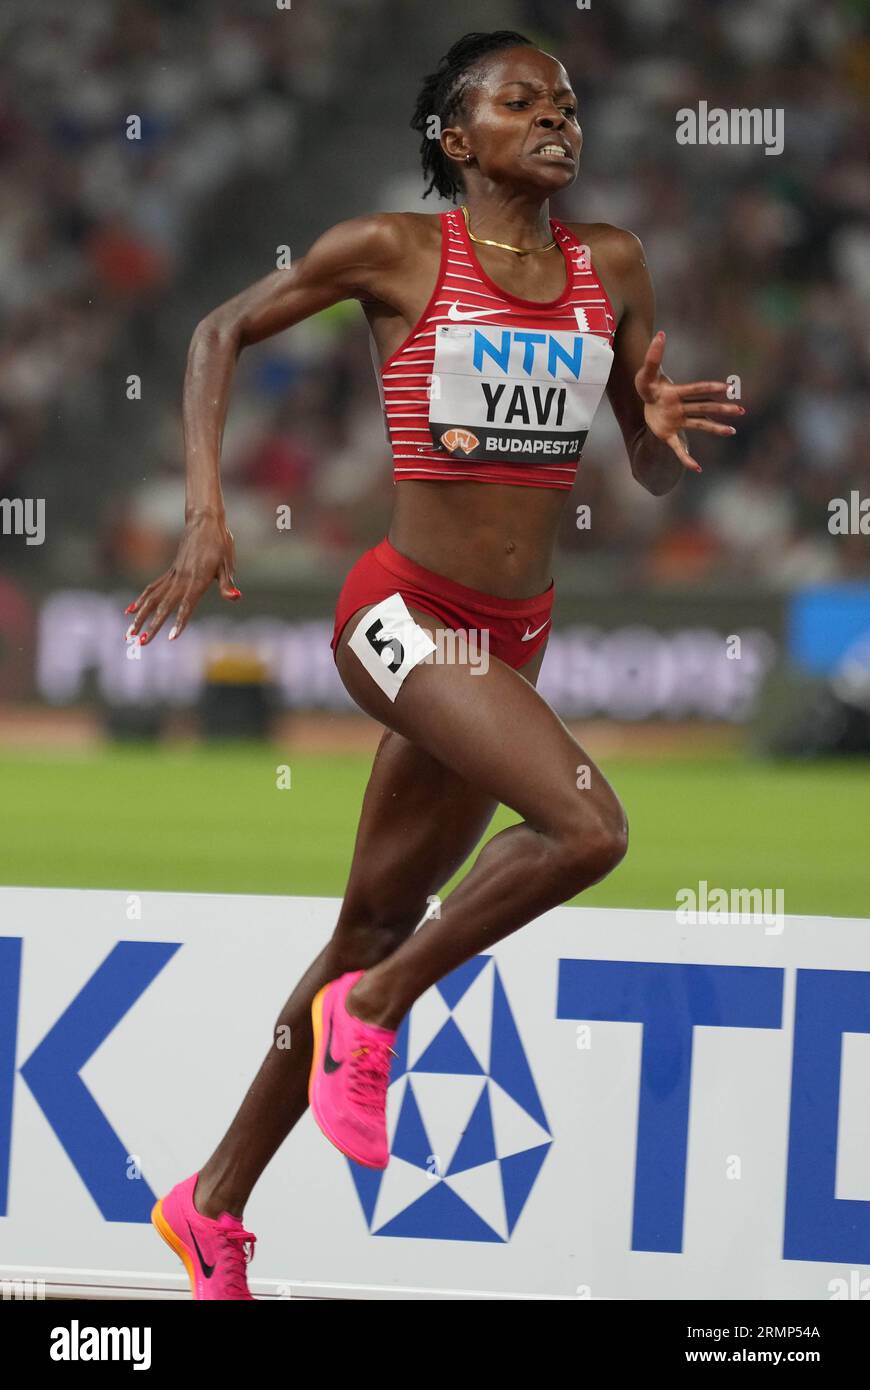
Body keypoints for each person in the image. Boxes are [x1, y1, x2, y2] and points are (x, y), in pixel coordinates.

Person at [131, 30, 743, 1299]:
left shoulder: (610, 263)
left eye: (568, 102)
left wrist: (656, 427)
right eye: (523, 103)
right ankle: (378, 1013)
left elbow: (633, 452)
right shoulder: (396, 252)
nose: (559, 119)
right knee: (588, 827)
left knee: (369, 919)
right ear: (458, 142)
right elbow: (214, 331)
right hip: (401, 613)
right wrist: (206, 506)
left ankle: (211, 1203)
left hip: (511, 636)